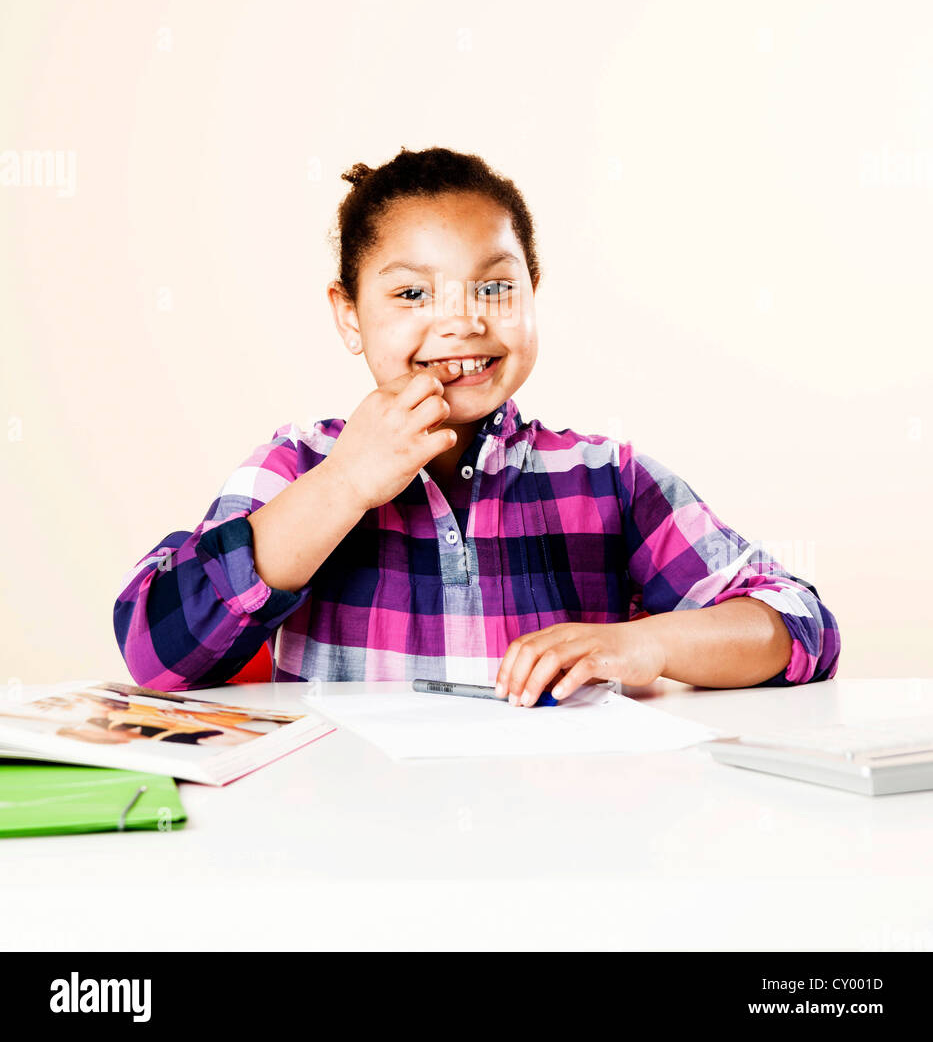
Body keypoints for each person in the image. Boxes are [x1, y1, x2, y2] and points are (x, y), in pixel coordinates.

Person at [114, 145, 840, 703]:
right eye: (411, 292)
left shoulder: (604, 478)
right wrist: (342, 486)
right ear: (348, 315)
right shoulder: (299, 466)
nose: (461, 320)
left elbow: (800, 626)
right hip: (347, 842)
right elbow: (156, 651)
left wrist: (645, 645)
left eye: (494, 286)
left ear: (532, 295)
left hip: (559, 846)